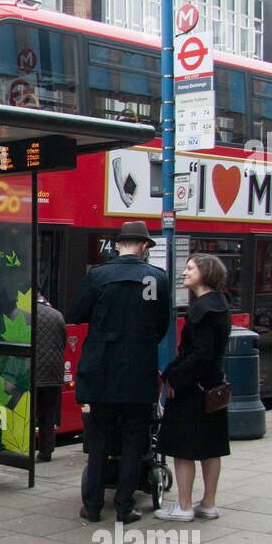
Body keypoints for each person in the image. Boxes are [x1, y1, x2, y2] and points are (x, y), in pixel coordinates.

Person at [68, 221, 170, 523]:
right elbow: (161, 325)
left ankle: (94, 506)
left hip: (101, 370)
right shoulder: (157, 278)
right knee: (134, 440)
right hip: (139, 372)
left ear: (117, 245)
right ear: (144, 247)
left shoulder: (98, 276)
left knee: (99, 439)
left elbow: (75, 313)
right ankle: (125, 506)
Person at [155, 254, 232, 522]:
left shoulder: (202, 310)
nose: (185, 272)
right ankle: (208, 503)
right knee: (211, 447)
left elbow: (199, 354)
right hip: (213, 389)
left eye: (191, 268)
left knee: (183, 447)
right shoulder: (220, 304)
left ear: (205, 273)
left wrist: (174, 377)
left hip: (192, 391)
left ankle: (185, 505)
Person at [34, 293, 67, 462]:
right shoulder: (57, 315)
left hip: (31, 373)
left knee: (28, 412)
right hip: (53, 372)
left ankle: (24, 450)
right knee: (48, 413)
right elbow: (63, 341)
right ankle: (46, 451)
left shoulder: (20, 314)